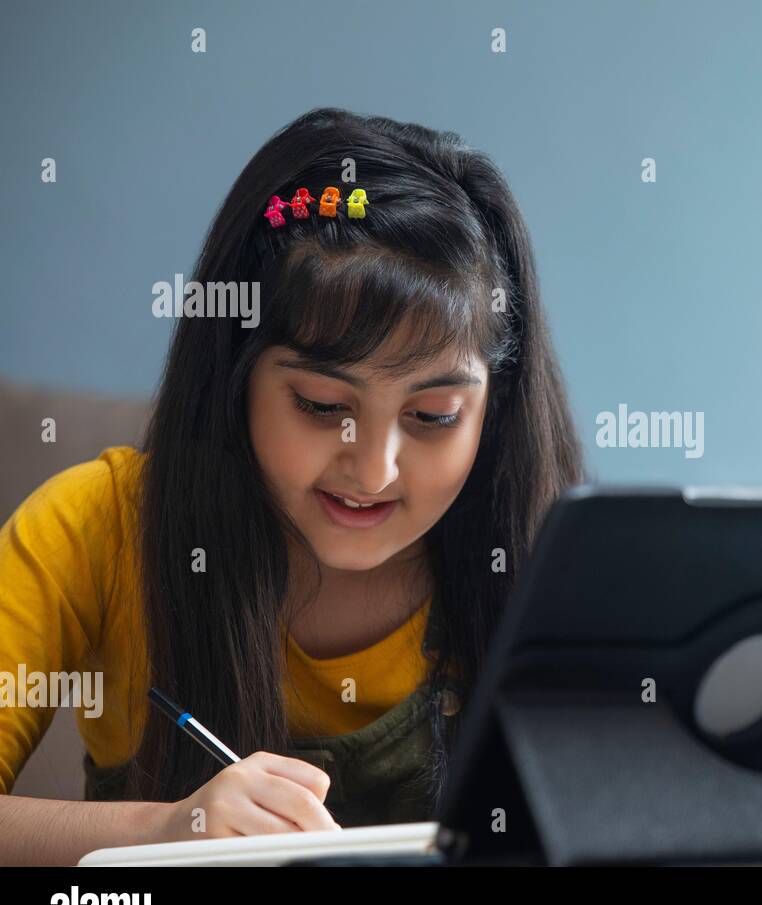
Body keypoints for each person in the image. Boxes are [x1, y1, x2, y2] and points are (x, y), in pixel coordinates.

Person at [0, 107, 585, 865]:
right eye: (322, 407)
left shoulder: (544, 553)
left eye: (434, 415)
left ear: (493, 409)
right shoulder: (96, 530)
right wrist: (171, 833)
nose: (373, 469)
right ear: (233, 376)